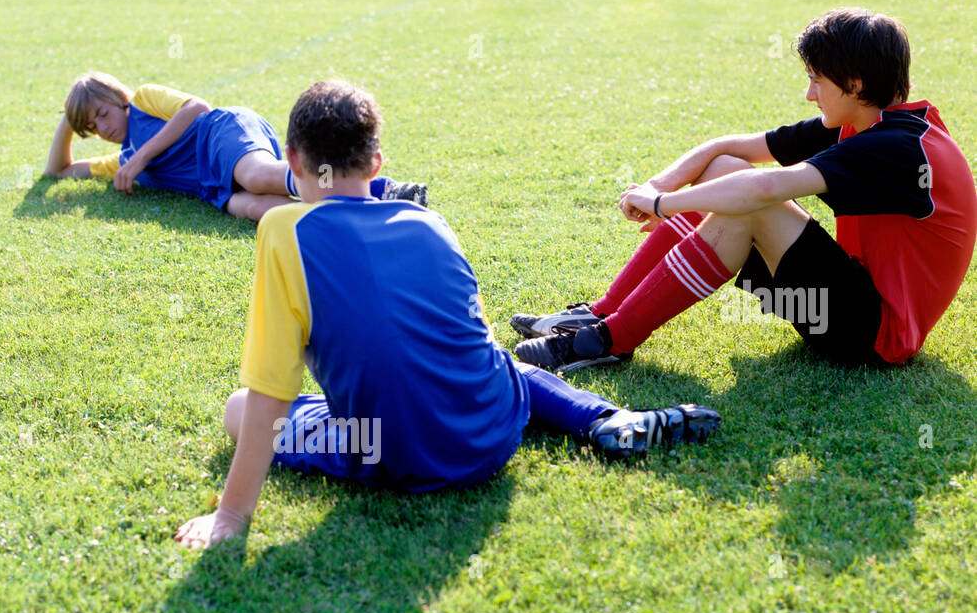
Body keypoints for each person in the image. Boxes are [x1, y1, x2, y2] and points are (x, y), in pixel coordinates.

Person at [175, 81, 719, 549]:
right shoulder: (427, 222)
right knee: (500, 364)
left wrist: (231, 515)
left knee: (240, 407)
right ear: (378, 164)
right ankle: (602, 419)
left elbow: (271, 386)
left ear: (291, 161)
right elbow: (465, 338)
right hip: (493, 426)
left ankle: (583, 421)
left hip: (390, 449)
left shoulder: (283, 231)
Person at [511, 9, 977, 374]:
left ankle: (609, 341)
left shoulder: (897, 148)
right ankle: (600, 315)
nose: (810, 94)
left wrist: (662, 206)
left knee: (753, 206)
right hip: (846, 302)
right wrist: (661, 185)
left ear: (855, 85)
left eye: (817, 80)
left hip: (875, 338)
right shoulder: (869, 119)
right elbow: (730, 148)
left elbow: (767, 187)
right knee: (725, 170)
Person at [44, 71, 428, 222]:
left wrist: (143, 156)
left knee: (258, 176)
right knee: (257, 209)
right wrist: (70, 116)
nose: (102, 128)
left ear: (118, 97)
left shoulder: (144, 100)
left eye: (103, 114)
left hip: (221, 136)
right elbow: (58, 171)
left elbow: (197, 107)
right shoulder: (121, 160)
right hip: (213, 189)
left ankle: (382, 187)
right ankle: (364, 211)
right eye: (91, 127)